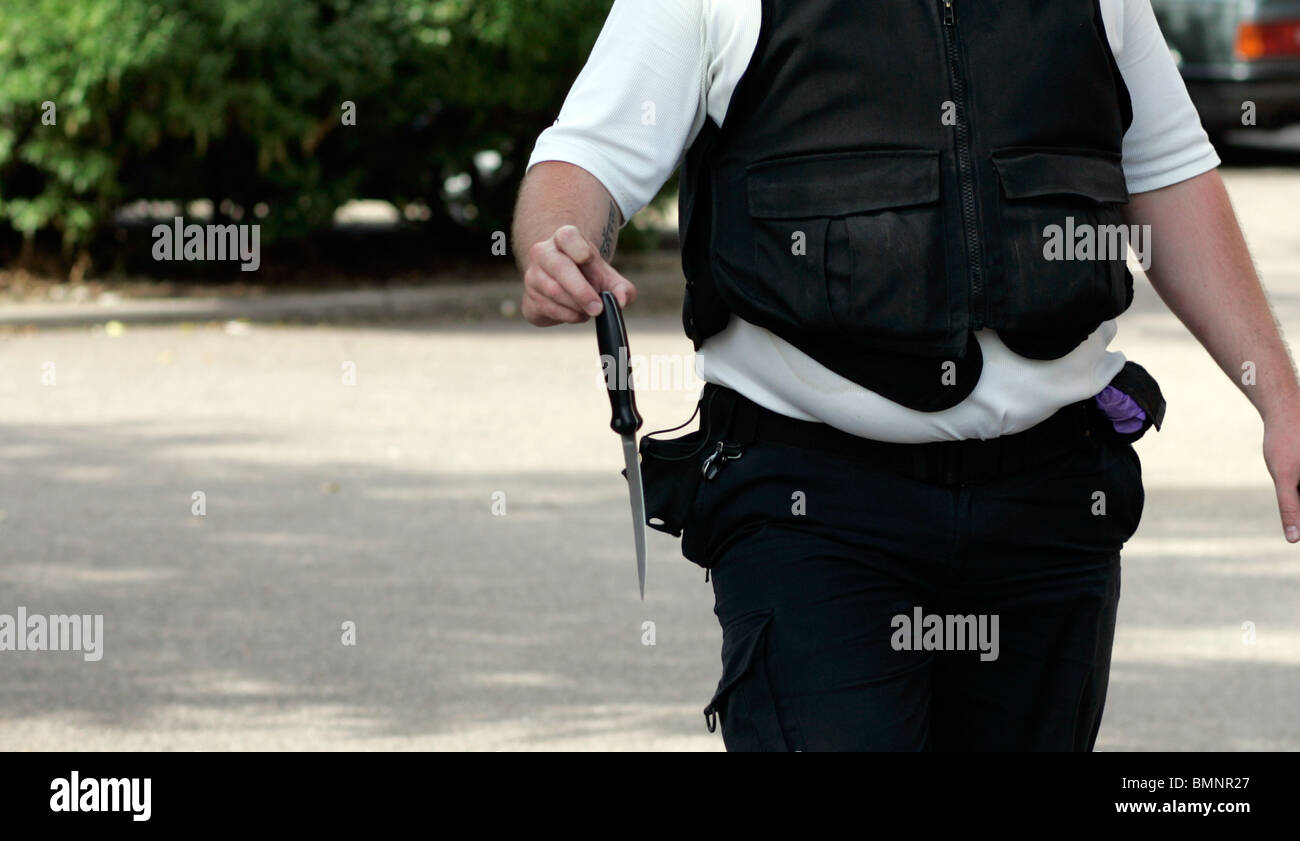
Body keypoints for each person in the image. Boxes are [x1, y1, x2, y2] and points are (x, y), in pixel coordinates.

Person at [510, 0, 1300, 751]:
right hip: (813, 506)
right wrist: (557, 240)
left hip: (1053, 504)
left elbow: (1167, 171)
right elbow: (586, 155)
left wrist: (1282, 401)